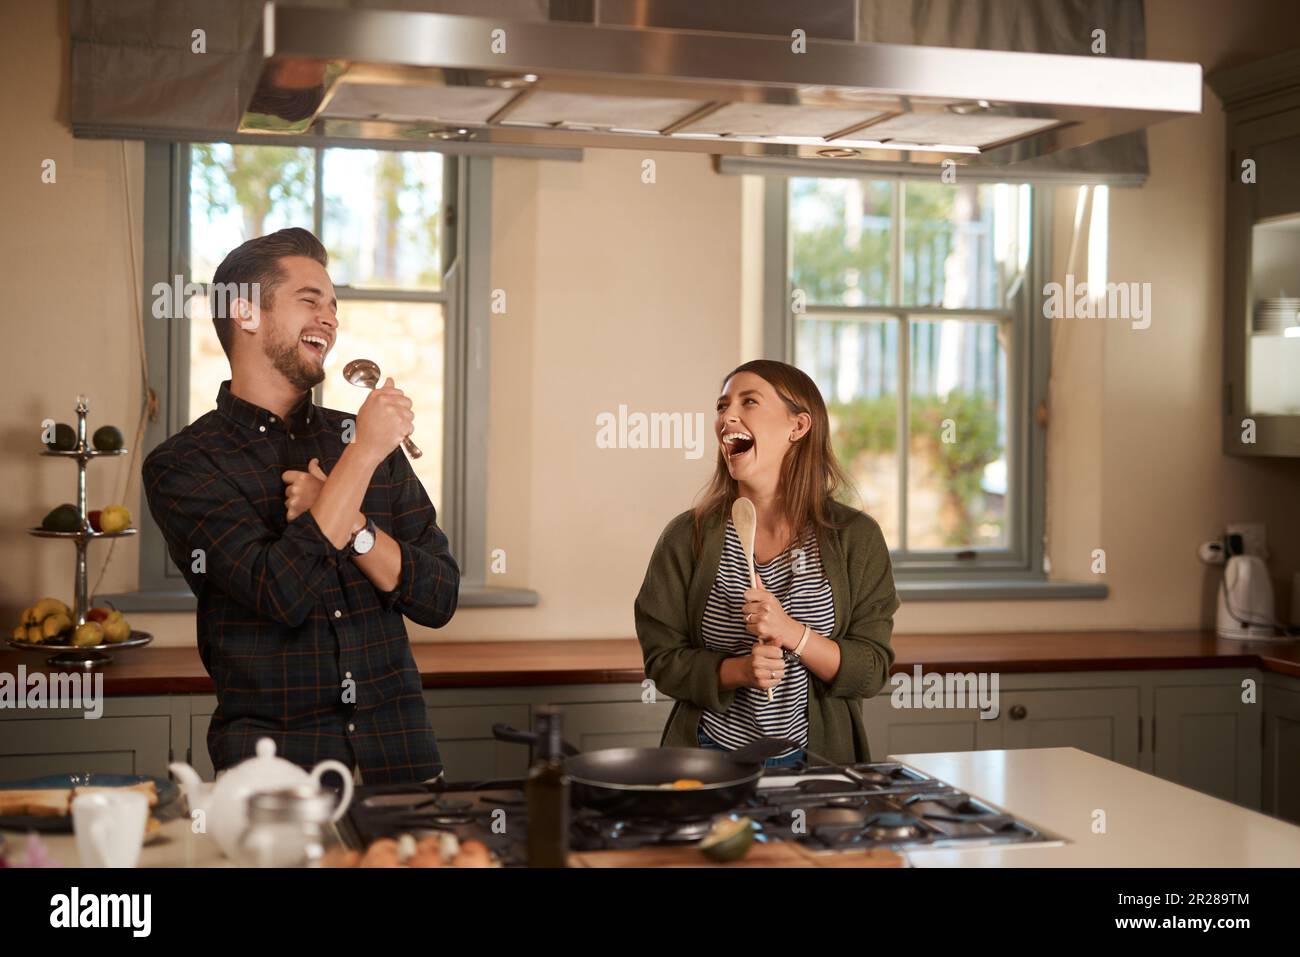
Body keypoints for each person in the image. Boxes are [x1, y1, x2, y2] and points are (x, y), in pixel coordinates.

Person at [143, 227, 458, 784]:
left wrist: (354, 523)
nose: (331, 319)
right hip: (276, 776)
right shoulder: (183, 465)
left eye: (334, 307)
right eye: (310, 301)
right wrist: (358, 459)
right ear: (245, 314)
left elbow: (438, 595)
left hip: (403, 761)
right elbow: (278, 593)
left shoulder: (363, 438)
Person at [635, 359, 899, 767]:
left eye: (749, 402)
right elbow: (663, 661)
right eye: (722, 406)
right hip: (710, 758)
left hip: (815, 763)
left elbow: (871, 670)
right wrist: (738, 670)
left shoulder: (856, 538)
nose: (728, 417)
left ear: (798, 427)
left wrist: (792, 633)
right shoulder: (687, 537)